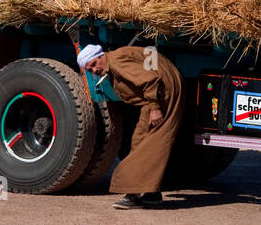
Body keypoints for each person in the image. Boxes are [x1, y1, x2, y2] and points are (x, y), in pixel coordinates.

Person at [77, 44, 184, 210]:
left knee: (143, 143)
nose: (93, 70)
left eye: (93, 64)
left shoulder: (117, 62)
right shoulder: (113, 61)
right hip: (163, 90)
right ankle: (150, 193)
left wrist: (155, 107)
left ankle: (134, 194)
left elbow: (149, 80)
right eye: (89, 69)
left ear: (100, 56)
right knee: (147, 142)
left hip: (161, 95)